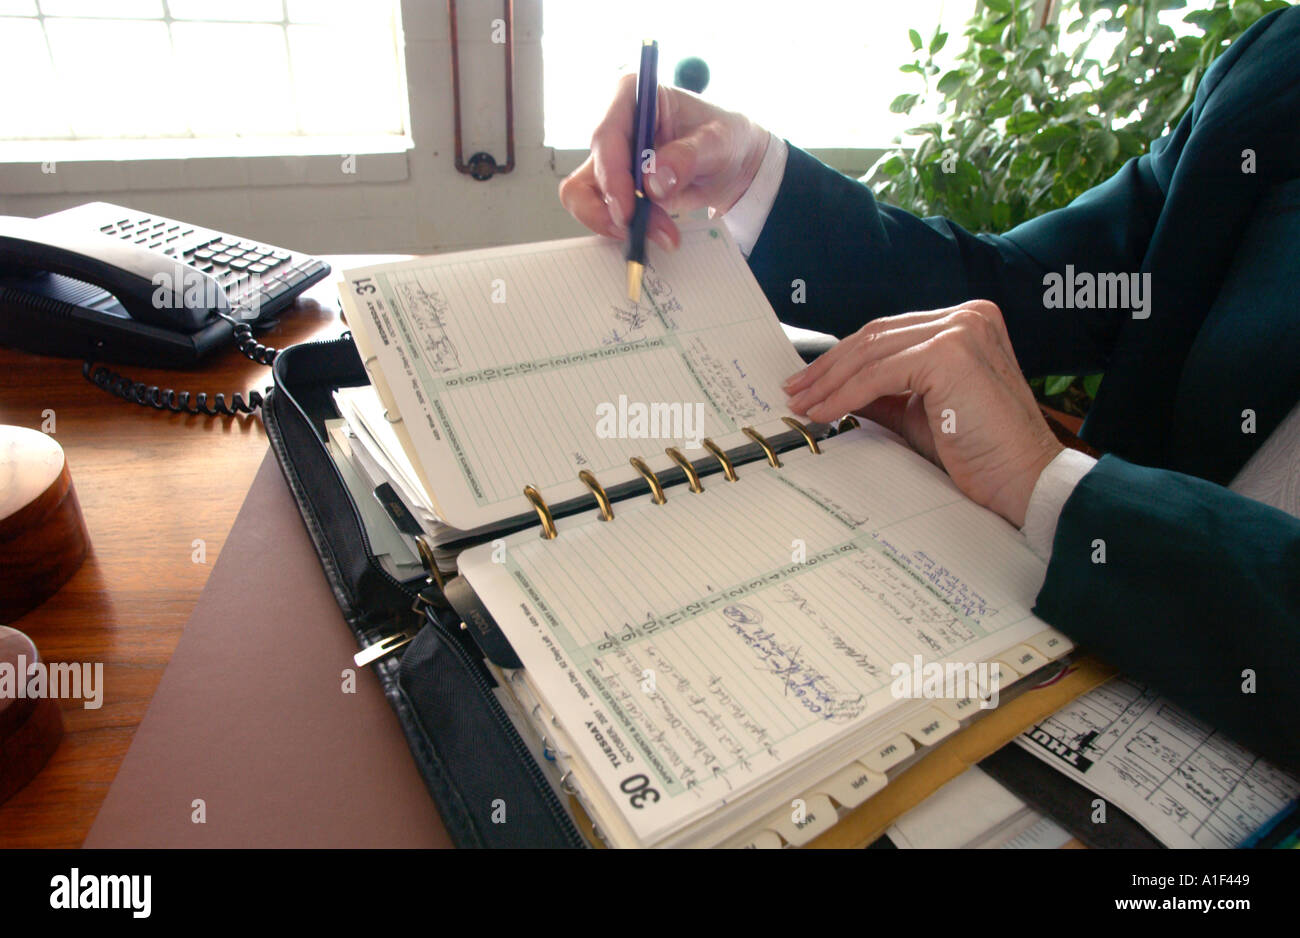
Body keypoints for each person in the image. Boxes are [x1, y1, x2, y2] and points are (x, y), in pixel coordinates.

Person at [560, 7, 1300, 768]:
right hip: (1070, 653)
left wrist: (1054, 487)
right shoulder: (1281, 58)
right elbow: (1042, 288)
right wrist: (752, 174)